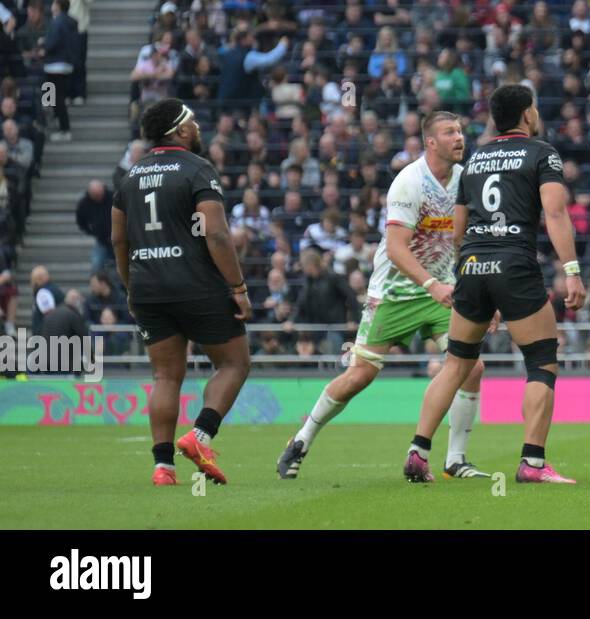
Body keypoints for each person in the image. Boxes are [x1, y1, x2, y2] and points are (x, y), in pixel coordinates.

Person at [278, 112, 490, 480]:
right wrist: (432, 285)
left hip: (441, 291)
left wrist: (475, 289)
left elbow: (462, 239)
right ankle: (301, 439)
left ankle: (455, 459)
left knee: (472, 366)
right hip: (395, 292)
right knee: (360, 375)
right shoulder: (409, 182)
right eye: (449, 132)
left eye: (459, 131)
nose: (459, 138)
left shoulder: (464, 179)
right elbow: (396, 249)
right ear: (430, 142)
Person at [404, 84, 586, 484]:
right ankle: (533, 463)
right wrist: (571, 269)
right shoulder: (542, 153)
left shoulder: (474, 160)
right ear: (526, 114)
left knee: (455, 364)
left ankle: (418, 452)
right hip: (514, 262)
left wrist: (470, 278)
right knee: (541, 361)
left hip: (470, 263)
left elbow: (456, 231)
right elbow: (555, 214)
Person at [110, 98, 252, 486]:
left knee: (165, 376)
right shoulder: (197, 168)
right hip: (196, 285)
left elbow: (118, 241)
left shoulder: (129, 176)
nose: (198, 128)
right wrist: (238, 287)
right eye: (193, 122)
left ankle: (162, 468)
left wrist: (129, 287)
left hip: (147, 288)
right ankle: (200, 436)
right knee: (234, 363)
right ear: (182, 130)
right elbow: (217, 233)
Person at [52, 0, 92, 104]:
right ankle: (68, 93)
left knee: (80, 63)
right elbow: (56, 8)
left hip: (80, 30)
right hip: (64, 32)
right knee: (66, 64)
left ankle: (80, 93)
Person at [42, 0, 76, 141]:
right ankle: (59, 123)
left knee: (57, 98)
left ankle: (64, 129)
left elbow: (51, 43)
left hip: (55, 65)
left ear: (58, 6)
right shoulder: (71, 22)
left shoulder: (58, 22)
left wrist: (44, 45)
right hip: (66, 64)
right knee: (58, 97)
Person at [75, 179, 113, 273]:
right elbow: (81, 222)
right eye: (96, 195)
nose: (99, 197)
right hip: (102, 242)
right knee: (96, 265)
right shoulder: (84, 204)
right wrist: (91, 231)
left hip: (118, 239)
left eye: (100, 194)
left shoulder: (113, 197)